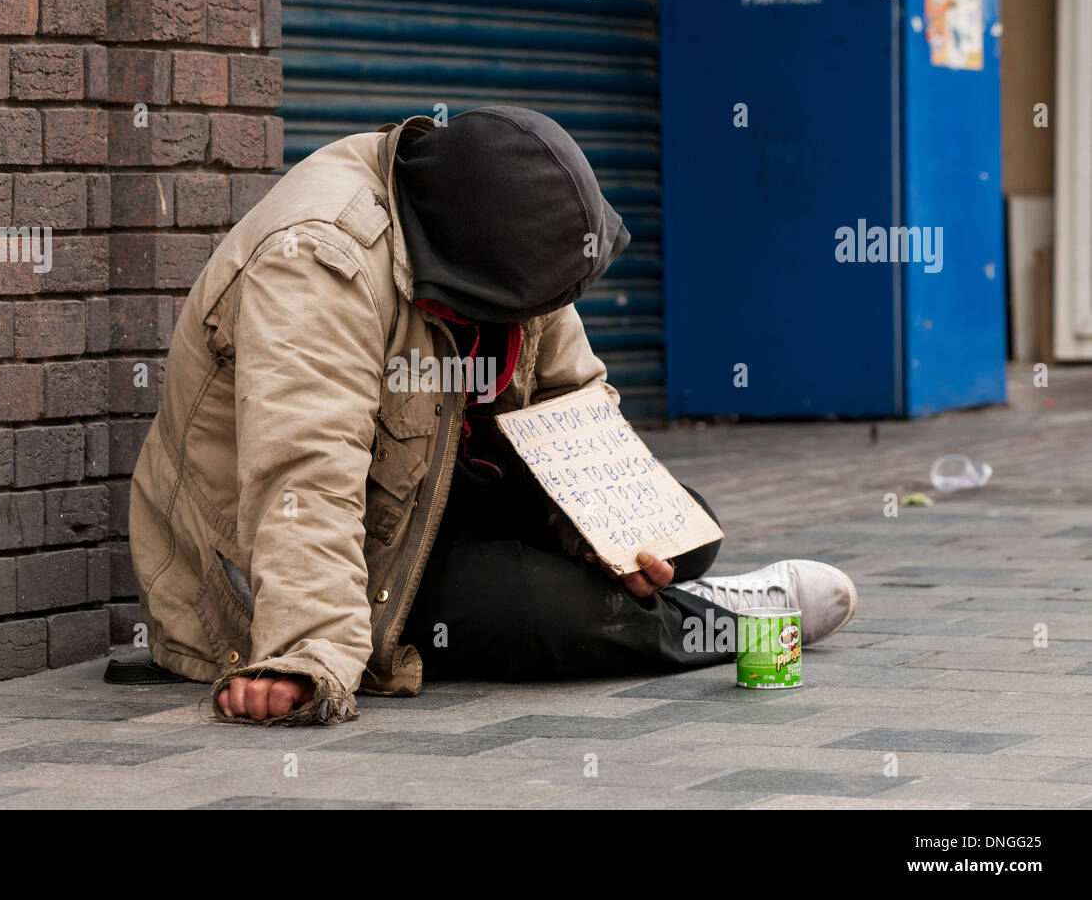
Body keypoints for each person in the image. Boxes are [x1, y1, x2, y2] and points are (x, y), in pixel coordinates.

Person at [126, 106, 857, 726]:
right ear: (470, 270)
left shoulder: (491, 229)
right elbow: (304, 476)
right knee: (546, 616)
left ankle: (662, 590)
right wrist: (305, 654)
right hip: (322, 552)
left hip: (433, 486)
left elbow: (573, 403)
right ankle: (725, 622)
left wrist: (606, 533)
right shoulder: (318, 261)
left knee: (685, 527)